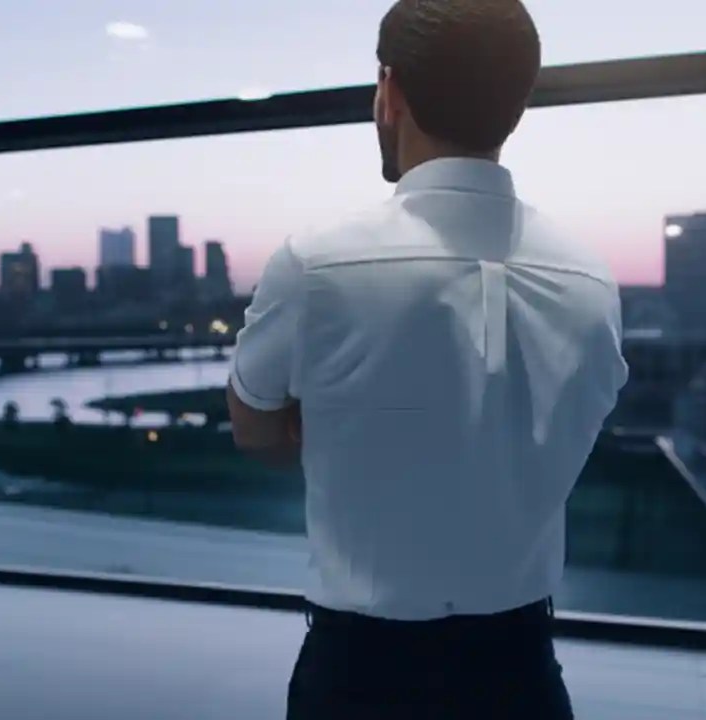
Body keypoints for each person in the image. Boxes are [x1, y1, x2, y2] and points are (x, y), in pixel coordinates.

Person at [225, 1, 629, 717]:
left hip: (358, 678)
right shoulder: (591, 283)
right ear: (517, 102)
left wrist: (343, 425)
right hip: (523, 678)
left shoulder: (315, 266)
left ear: (390, 89)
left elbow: (256, 431)